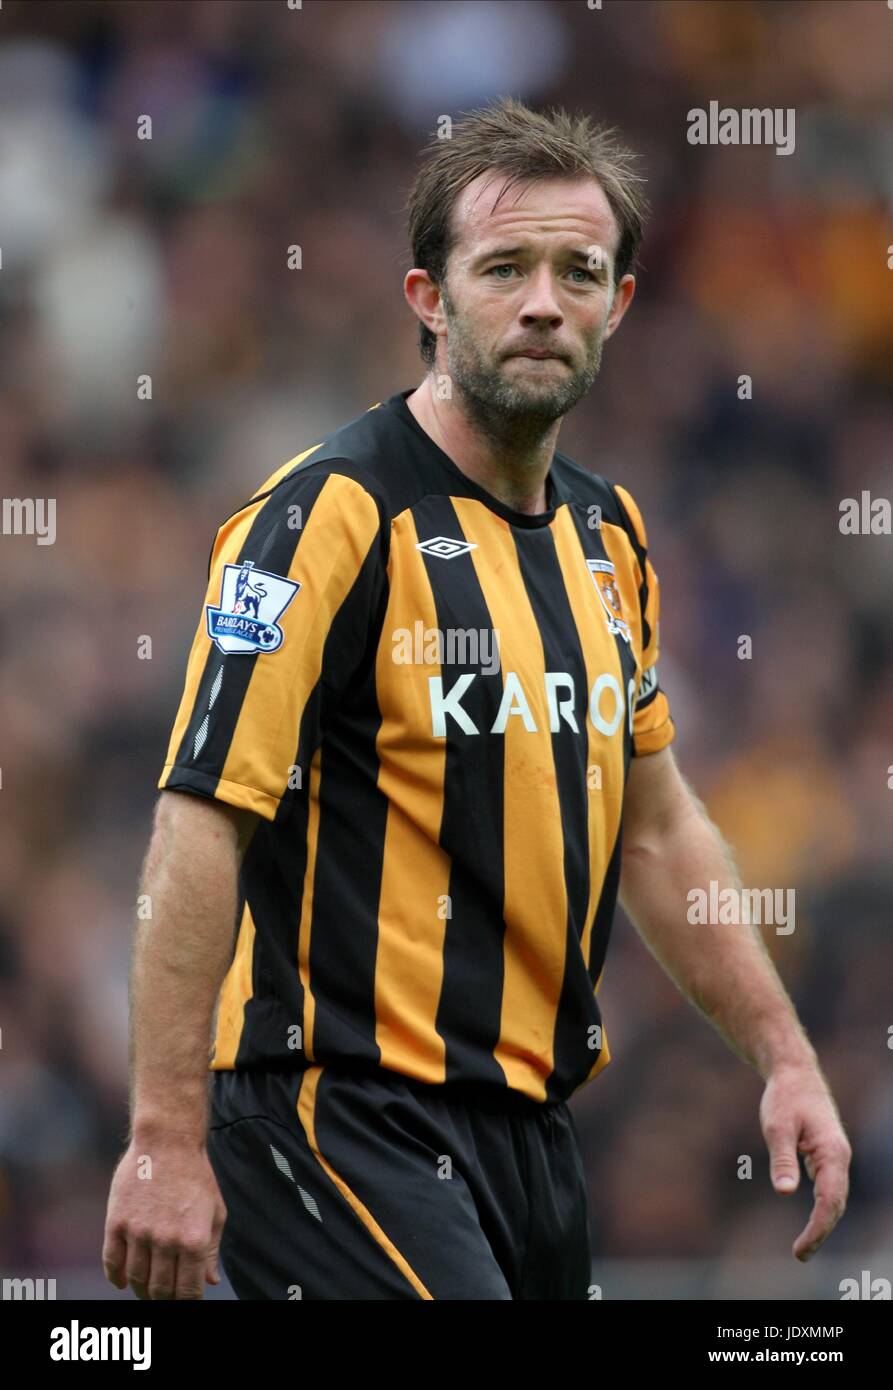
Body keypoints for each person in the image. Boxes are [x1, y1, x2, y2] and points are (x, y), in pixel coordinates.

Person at [102, 97, 850, 1301]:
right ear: (428, 300)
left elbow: (654, 827)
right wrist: (163, 1137)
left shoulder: (610, 539)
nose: (543, 300)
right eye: (502, 268)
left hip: (528, 1134)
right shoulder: (325, 516)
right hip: (331, 1111)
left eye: (578, 270)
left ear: (619, 304)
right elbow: (201, 815)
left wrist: (782, 1057)